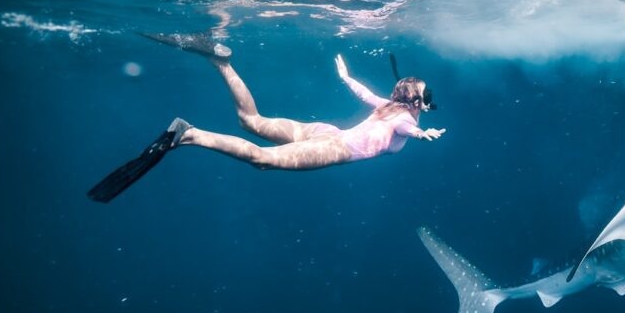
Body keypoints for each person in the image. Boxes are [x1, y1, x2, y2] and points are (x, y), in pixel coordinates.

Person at [87, 32, 445, 202]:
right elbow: (405, 130)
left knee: (252, 121)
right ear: (416, 101)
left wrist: (345, 77)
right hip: (334, 148)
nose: (427, 101)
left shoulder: (386, 105)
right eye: (425, 96)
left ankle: (219, 60)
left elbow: (365, 94)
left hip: (325, 132)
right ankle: (190, 135)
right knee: (262, 159)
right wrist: (423, 135)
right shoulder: (404, 120)